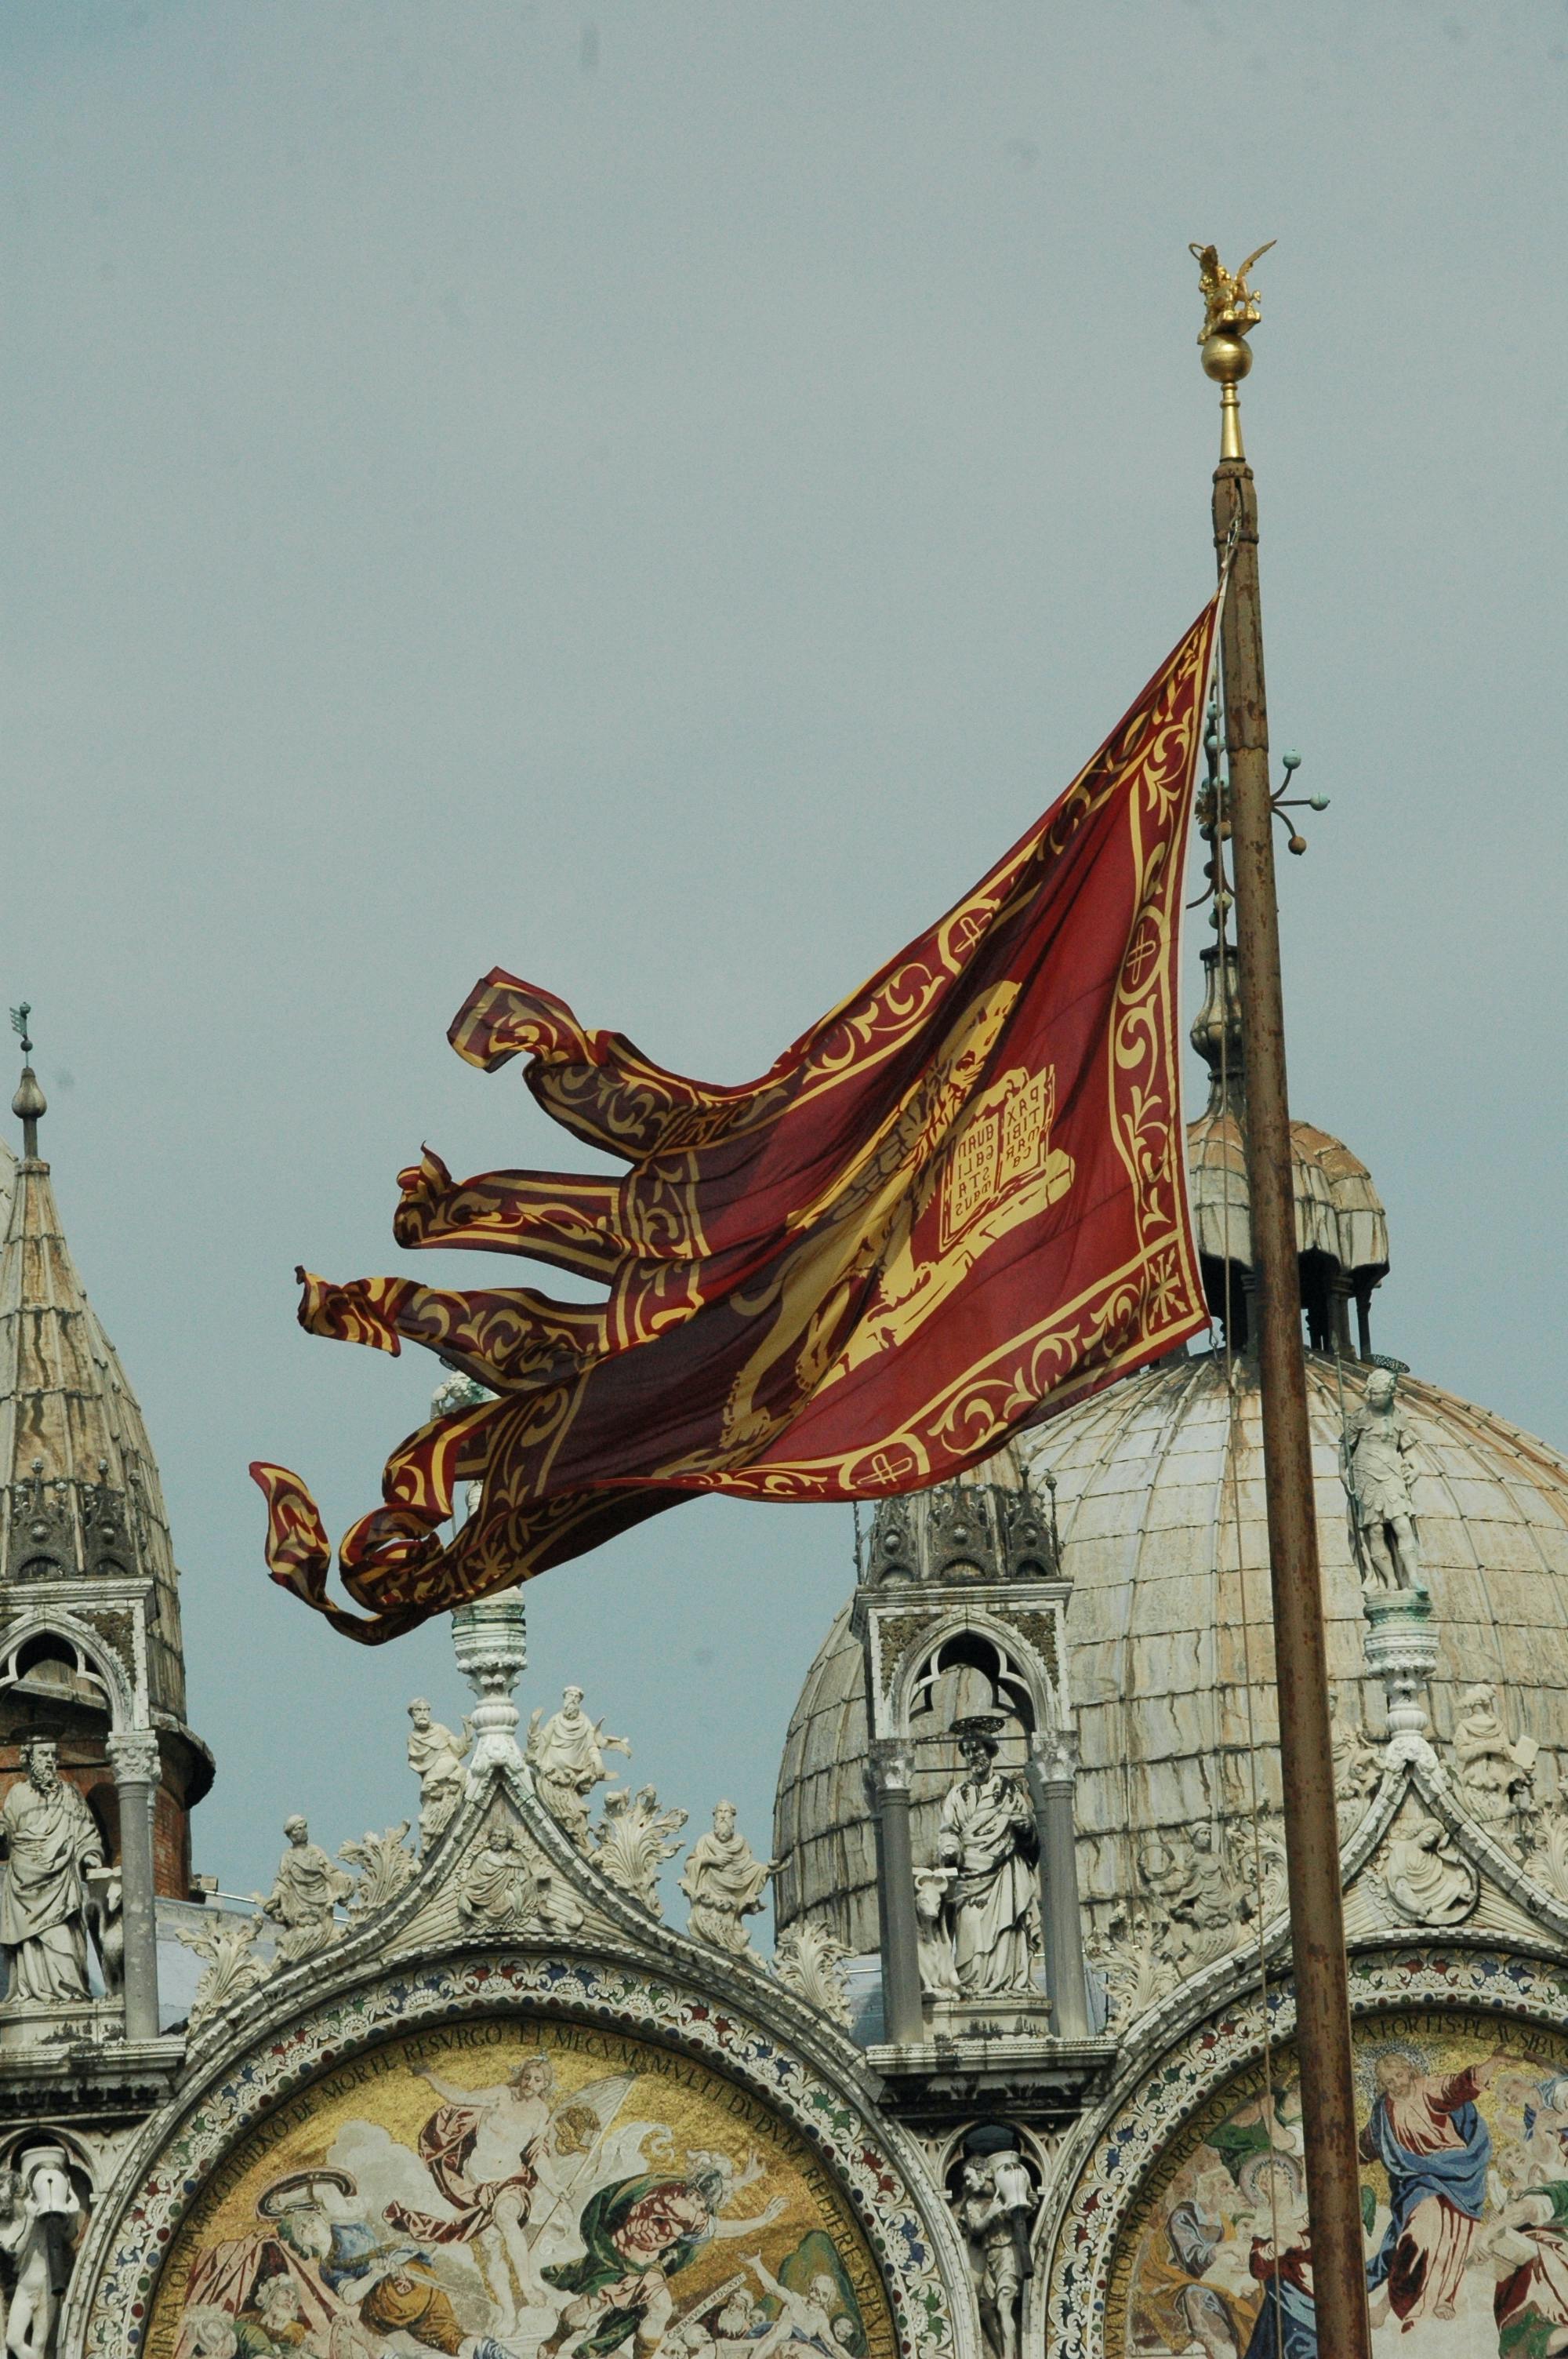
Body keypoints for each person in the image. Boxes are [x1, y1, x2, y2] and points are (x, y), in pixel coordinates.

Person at [1359, 2046, 1506, 2327]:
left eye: (1400, 2075)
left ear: (1409, 2070)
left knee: (1457, 2234)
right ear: (1382, 2085)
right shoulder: (1382, 2113)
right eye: (1390, 2082)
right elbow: (1365, 2148)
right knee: (1420, 2232)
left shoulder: (1428, 2088)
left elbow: (1461, 2086)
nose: (1398, 2084)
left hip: (1458, 2172)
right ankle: (1387, 2304)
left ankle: (1444, 2296)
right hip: (1418, 2181)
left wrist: (1494, 2061)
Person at [934, 1720, 1039, 1997]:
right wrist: (950, 1848)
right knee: (969, 1927)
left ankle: (1008, 1984)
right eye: (967, 1751)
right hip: (969, 1878)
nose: (972, 1757)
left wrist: (1026, 1829)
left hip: (1005, 1873)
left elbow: (1029, 1835)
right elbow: (949, 1831)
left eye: (977, 1749)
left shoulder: (1008, 1791)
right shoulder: (957, 1795)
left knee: (1006, 1933)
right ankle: (972, 1986)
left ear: (990, 1751)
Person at [0, 1738, 104, 2005]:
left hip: (60, 1883)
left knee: (64, 1941)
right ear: (29, 1759)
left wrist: (90, 1854)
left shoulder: (70, 1795)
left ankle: (68, 1990)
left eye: (53, 1755)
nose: (49, 1761)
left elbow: (86, 1830)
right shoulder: (18, 1795)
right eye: (43, 1754)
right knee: (29, 1945)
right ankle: (31, 1992)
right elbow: (5, 1836)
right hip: (23, 1883)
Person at [1341, 1366, 1423, 1592]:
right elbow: (1345, 1449)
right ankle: (1389, 1581)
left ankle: (1413, 1578)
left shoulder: (1399, 1417)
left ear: (1390, 1393)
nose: (1372, 1397)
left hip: (1391, 1474)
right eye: (1371, 1393)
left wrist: (1415, 1468)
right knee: (1374, 1530)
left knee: (1402, 1524)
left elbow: (1410, 1452)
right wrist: (1343, 1473)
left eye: (1377, 1394)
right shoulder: (1360, 1416)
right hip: (1365, 1473)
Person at [405, 1700, 470, 1845]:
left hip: (452, 1771)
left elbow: (459, 1749)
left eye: (425, 1710)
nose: (423, 1714)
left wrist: (467, 1731)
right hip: (435, 1778)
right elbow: (419, 1761)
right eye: (419, 1711)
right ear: (413, 1714)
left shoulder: (440, 1730)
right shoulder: (413, 1738)